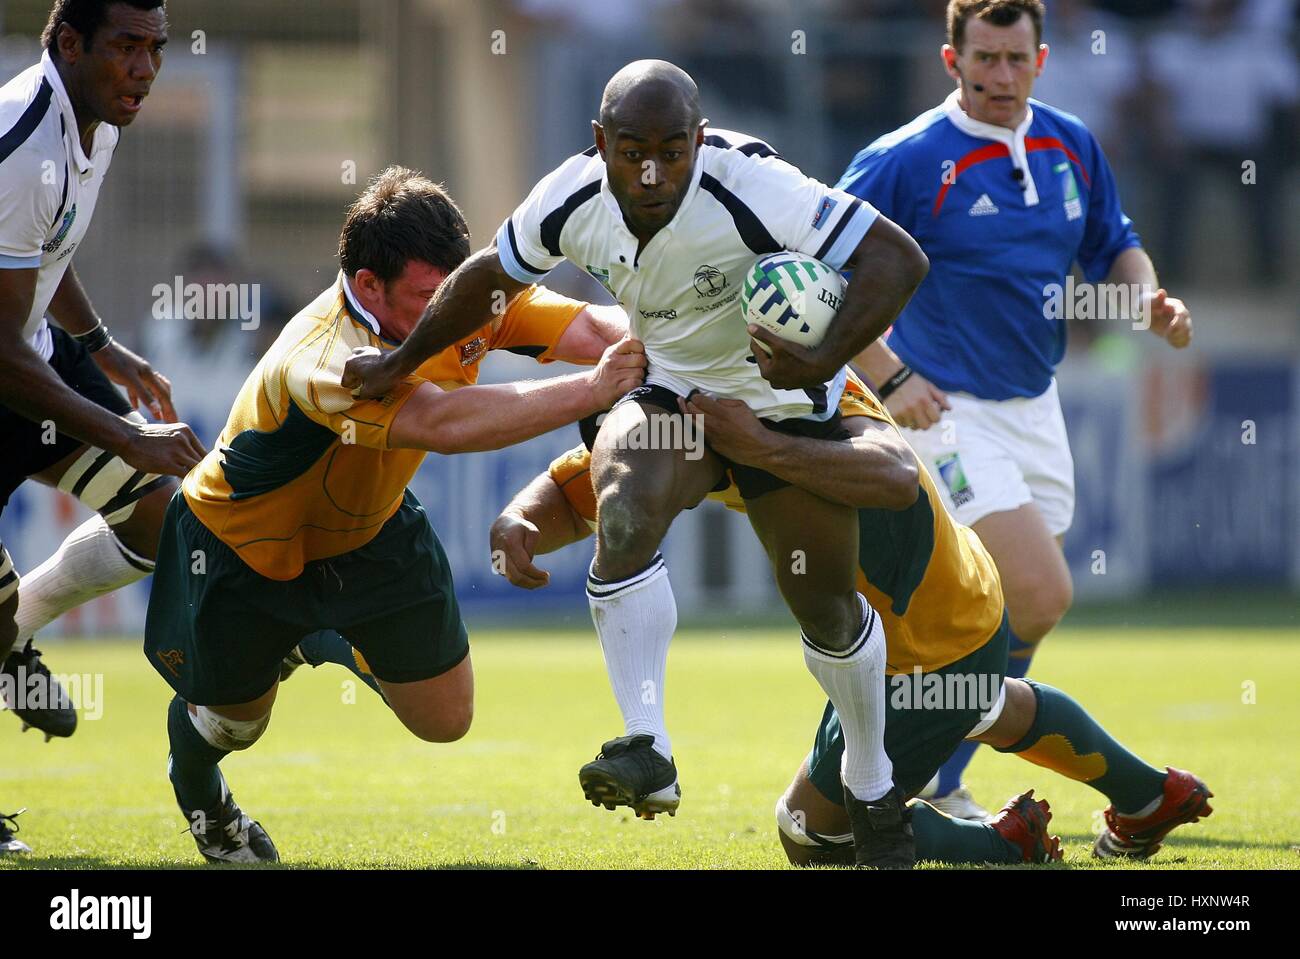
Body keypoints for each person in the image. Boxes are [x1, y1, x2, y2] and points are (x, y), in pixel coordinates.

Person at [342, 59, 929, 868]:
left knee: (826, 607)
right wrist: (400, 360)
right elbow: (489, 277)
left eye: (671, 151)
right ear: (599, 142)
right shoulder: (573, 195)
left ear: (700, 139)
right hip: (671, 397)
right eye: (630, 150)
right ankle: (645, 743)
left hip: (782, 408)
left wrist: (819, 359)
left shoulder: (757, 185)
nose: (651, 172)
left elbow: (898, 259)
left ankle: (871, 785)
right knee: (621, 504)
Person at [487, 370, 1213, 864]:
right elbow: (610, 480)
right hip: (953, 613)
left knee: (808, 834)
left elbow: (890, 474)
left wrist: (759, 446)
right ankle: (1151, 791)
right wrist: (521, 517)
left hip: (922, 644)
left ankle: (1007, 841)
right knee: (984, 703)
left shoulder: (810, 417)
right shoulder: (720, 395)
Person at [143, 166, 644, 863]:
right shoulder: (322, 354)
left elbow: (594, 327)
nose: (452, 312)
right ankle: (199, 786)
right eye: (426, 296)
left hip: (368, 527)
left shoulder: (467, 296)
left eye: (456, 289)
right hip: (245, 548)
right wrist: (592, 389)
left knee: (447, 719)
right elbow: (438, 420)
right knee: (234, 726)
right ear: (369, 285)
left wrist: (676, 336)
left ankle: (314, 635)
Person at [841, 0, 1193, 819]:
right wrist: (889, 377)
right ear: (950, 59)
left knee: (1001, 618)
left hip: (1037, 405)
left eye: (1016, 59)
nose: (1001, 76)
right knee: (1037, 593)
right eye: (985, 59)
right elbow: (816, 270)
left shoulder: (1070, 143)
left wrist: (1148, 301)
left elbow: (1116, 242)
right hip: (942, 411)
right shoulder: (905, 158)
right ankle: (919, 767)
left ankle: (932, 770)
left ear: (1042, 59)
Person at [0, 0, 203, 780]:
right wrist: (125, 433)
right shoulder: (22, 144)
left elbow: (46, 249)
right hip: (5, 363)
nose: (146, 70)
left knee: (161, 516)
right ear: (71, 43)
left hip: (29, 355)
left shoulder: (97, 121)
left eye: (156, 48)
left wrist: (100, 346)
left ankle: (14, 632)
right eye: (127, 48)